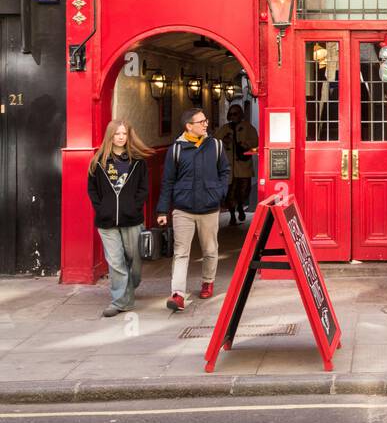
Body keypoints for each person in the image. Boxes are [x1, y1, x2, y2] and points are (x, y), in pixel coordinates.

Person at [156, 108, 230, 311]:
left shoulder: (215, 145)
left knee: (210, 249)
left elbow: (225, 171)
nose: (206, 124)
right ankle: (178, 294)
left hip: (209, 208)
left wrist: (219, 192)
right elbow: (168, 181)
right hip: (183, 209)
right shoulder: (177, 149)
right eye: (201, 122)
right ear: (189, 126)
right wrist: (162, 210)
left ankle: (208, 281)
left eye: (206, 120)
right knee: (181, 253)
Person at [87, 120, 153, 318]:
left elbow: (143, 189)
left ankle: (129, 287)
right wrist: (101, 209)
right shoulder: (98, 161)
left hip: (132, 219)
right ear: (110, 136)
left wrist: (134, 206)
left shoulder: (138, 162)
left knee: (134, 261)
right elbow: (92, 190)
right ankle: (120, 302)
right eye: (117, 134)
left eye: (124, 133)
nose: (121, 137)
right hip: (106, 222)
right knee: (116, 262)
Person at [215, 103, 259, 224]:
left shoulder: (248, 127)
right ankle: (232, 215)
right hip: (229, 167)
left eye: (236, 113)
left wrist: (244, 144)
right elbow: (215, 140)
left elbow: (255, 141)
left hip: (243, 167)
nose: (233, 116)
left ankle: (240, 206)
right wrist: (224, 141)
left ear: (240, 114)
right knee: (230, 193)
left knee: (243, 190)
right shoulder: (225, 128)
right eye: (231, 114)